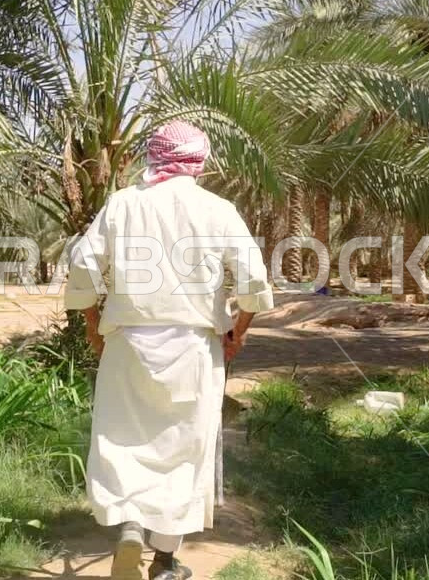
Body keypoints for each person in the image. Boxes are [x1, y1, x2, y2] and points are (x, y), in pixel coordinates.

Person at [64, 121, 273, 580]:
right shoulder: (217, 209)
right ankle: (163, 561)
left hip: (127, 344)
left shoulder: (122, 204)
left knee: (123, 439)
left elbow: (83, 268)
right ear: (201, 160)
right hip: (194, 348)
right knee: (184, 449)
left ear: (152, 156)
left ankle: (131, 526)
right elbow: (254, 281)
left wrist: (93, 326)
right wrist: (239, 330)